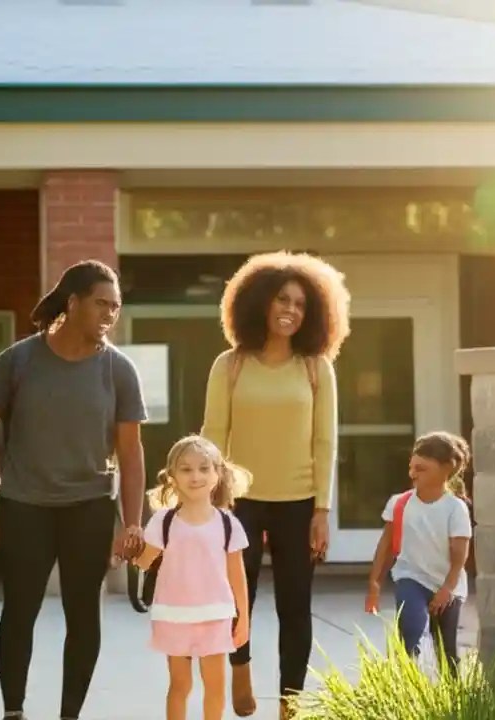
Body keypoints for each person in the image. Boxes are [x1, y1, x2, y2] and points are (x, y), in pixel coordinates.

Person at [0, 259, 148, 720]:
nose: (110, 314)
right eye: (101, 304)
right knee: (19, 612)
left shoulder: (119, 370)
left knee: (84, 617)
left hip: (88, 507)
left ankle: (69, 715)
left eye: (116, 306)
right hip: (25, 506)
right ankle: (14, 712)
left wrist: (133, 523)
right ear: (73, 303)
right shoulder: (20, 360)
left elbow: (131, 452)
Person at [200, 251, 348, 719]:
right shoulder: (231, 365)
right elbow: (211, 436)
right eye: (282, 299)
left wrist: (322, 510)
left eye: (301, 304)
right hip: (239, 502)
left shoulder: (315, 367)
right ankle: (240, 670)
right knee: (236, 599)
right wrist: (206, 502)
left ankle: (290, 704)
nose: (290, 309)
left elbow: (325, 442)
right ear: (260, 302)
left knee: (295, 606)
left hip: (299, 503)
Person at [133, 435, 251, 720]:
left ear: (217, 474)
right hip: (174, 615)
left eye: (203, 468)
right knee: (180, 684)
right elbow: (144, 561)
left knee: (215, 686)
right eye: (185, 469)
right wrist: (126, 551)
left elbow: (237, 575)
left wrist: (243, 618)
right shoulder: (164, 521)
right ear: (172, 475)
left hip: (215, 615)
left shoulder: (227, 524)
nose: (195, 476)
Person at [365, 431, 474, 672]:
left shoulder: (455, 509)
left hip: (448, 586)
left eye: (421, 468)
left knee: (446, 650)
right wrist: (375, 582)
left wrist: (447, 589)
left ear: (446, 468)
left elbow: (459, 555)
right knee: (410, 633)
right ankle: (403, 689)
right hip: (411, 577)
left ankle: (452, 699)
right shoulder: (400, 503)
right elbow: (386, 545)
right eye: (411, 467)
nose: (412, 474)